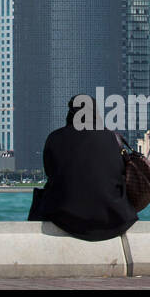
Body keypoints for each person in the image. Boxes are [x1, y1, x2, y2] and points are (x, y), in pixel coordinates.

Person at [28, 94, 138, 241]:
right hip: (113, 216)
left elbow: (51, 172)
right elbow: (119, 172)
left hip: (64, 215)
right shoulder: (112, 137)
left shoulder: (55, 137)